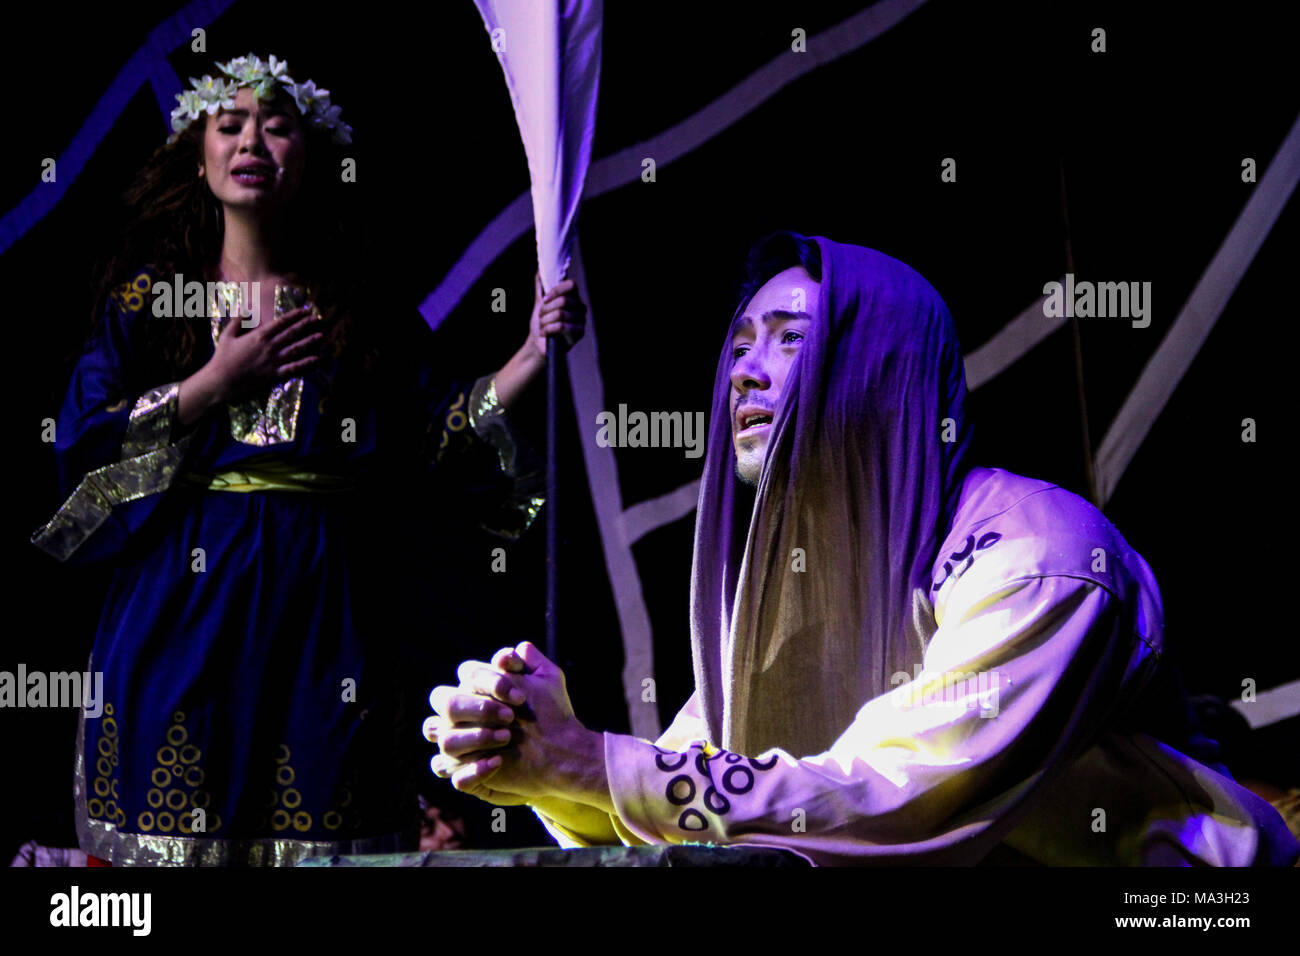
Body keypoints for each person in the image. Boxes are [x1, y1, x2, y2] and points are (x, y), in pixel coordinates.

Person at [424, 232, 1300, 866]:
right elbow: (711, 795)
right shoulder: (797, 597)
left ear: (878, 366)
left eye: (791, 339)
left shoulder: (1041, 558)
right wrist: (538, 766)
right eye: (738, 345)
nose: (745, 373)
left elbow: (890, 806)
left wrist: (590, 762)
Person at [31, 53, 585, 865]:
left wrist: (531, 353)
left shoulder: (355, 304)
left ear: (308, 156)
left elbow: (434, 428)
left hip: (323, 606)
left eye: (278, 125)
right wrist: (217, 380)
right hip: (183, 602)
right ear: (200, 152)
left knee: (319, 831)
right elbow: (83, 446)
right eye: (232, 124)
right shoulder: (151, 296)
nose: (254, 140)